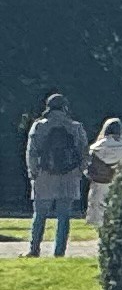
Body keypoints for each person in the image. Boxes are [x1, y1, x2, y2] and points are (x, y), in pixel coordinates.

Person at [23, 95, 85, 258]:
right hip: (69, 177)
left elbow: (32, 151)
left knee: (40, 214)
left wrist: (33, 172)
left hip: (44, 175)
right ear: (65, 107)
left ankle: (34, 249)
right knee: (64, 216)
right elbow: (83, 153)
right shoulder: (75, 127)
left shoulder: (39, 126)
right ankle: (59, 252)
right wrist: (78, 171)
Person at [80, 116, 122, 232]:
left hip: (98, 182)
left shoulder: (95, 148)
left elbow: (87, 167)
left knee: (97, 211)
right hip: (117, 184)